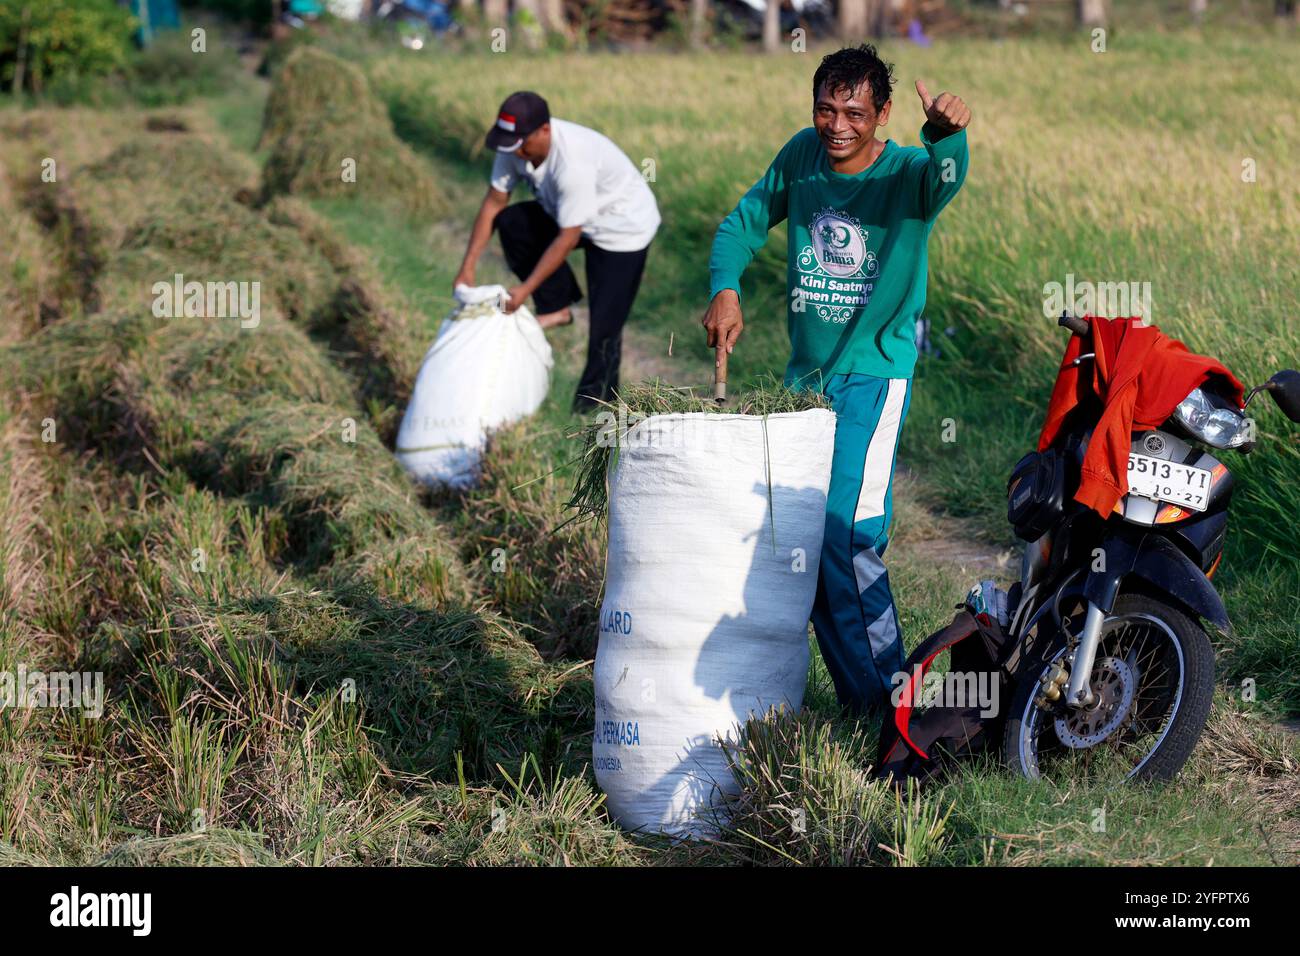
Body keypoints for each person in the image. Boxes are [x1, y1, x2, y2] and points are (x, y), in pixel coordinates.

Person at [702, 45, 972, 716]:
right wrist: (725, 289)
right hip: (806, 386)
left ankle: (895, 715)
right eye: (826, 107)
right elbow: (742, 224)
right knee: (802, 542)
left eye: (856, 111)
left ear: (883, 114)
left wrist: (946, 133)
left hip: (873, 379)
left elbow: (945, 178)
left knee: (847, 540)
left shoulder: (909, 171)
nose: (837, 124)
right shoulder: (801, 157)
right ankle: (863, 706)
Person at [453, 91, 661, 411]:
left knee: (605, 329)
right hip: (568, 214)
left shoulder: (573, 162)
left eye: (521, 144)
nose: (515, 153)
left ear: (545, 131)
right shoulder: (515, 146)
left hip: (621, 227)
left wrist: (525, 289)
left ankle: (593, 410)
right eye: (509, 145)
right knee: (512, 222)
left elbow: (567, 238)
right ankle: (557, 307)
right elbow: (494, 203)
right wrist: (467, 267)